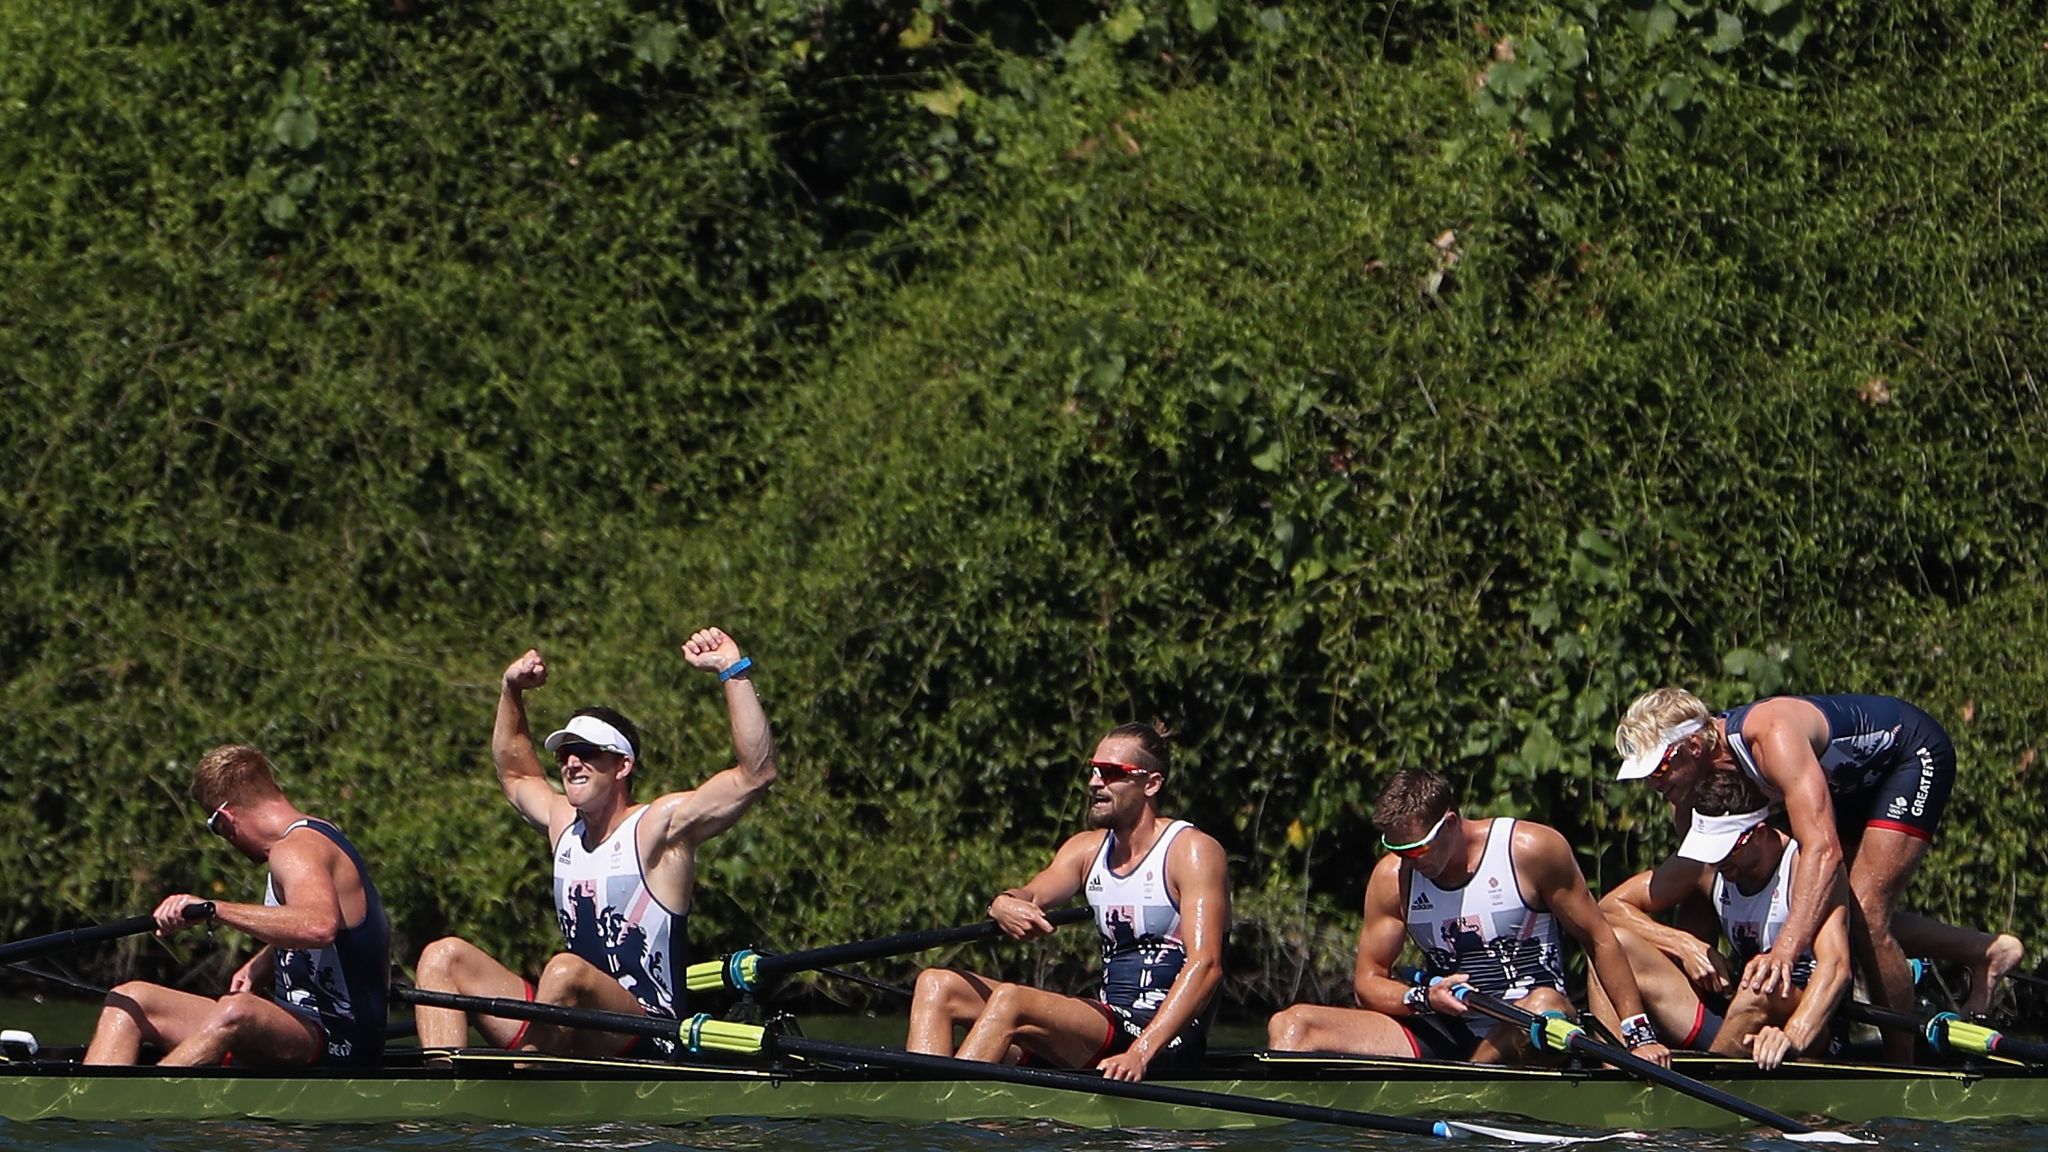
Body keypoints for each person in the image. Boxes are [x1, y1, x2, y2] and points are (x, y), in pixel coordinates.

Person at [412, 627, 778, 1060]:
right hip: (570, 1019)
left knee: (565, 971)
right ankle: (441, 1093)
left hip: (646, 1030)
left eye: (587, 751)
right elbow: (516, 773)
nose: (571, 761)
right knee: (443, 957)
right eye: (566, 752)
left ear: (623, 765)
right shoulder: (563, 824)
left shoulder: (658, 828)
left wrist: (731, 670)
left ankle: (523, 1082)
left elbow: (756, 773)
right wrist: (510, 690)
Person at [1614, 689, 2023, 1056]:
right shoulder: (1687, 798)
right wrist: (1685, 950)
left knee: (1865, 911)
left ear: (1691, 746)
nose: (1652, 783)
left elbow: (1822, 851)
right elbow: (1699, 884)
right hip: (1843, 784)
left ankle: (1903, 1066)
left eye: (1658, 768)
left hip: (1908, 757)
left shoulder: (1769, 736)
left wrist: (1786, 951)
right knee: (1838, 908)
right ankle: (1981, 950)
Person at [1266, 768, 1673, 1067]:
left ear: (1451, 823)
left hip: (1531, 1024)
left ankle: (1466, 1085)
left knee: (1546, 1003)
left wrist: (1638, 1037)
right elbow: (1368, 983)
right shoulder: (1393, 878)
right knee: (1293, 1024)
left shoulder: (1530, 850)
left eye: (1418, 849)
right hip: (1446, 1025)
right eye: (1397, 848)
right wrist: (1424, 997)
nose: (1408, 861)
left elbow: (1599, 940)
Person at [905, 722, 1229, 1082]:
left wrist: (1139, 1054)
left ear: (1151, 784)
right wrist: (1003, 903)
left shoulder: (1192, 851)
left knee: (1013, 1000)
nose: (1094, 782)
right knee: (937, 984)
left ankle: (943, 1108)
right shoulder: (1086, 850)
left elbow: (1207, 965)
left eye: (1110, 773)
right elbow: (1030, 893)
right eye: (1093, 770)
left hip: (1164, 1040)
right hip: (1109, 1021)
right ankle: (926, 1118)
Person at [85, 744, 390, 1067]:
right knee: (131, 1001)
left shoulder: (298, 850)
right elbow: (336, 932)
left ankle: (144, 1102)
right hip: (297, 1026)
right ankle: (93, 1107)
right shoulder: (314, 838)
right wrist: (266, 961)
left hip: (340, 1040)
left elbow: (319, 926)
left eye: (215, 827)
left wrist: (214, 909)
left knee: (238, 1009)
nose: (223, 837)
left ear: (226, 818)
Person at [1592, 766, 1852, 1069]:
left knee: (1757, 990)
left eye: (1727, 850)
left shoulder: (1805, 868)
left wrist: (1792, 1036)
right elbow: (1609, 909)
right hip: (1738, 1015)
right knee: (1610, 947)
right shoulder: (1708, 864)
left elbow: (1836, 967)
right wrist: (1683, 944)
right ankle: (1615, 1075)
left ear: (1759, 834)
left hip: (1810, 1023)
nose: (1717, 860)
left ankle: (1705, 1086)